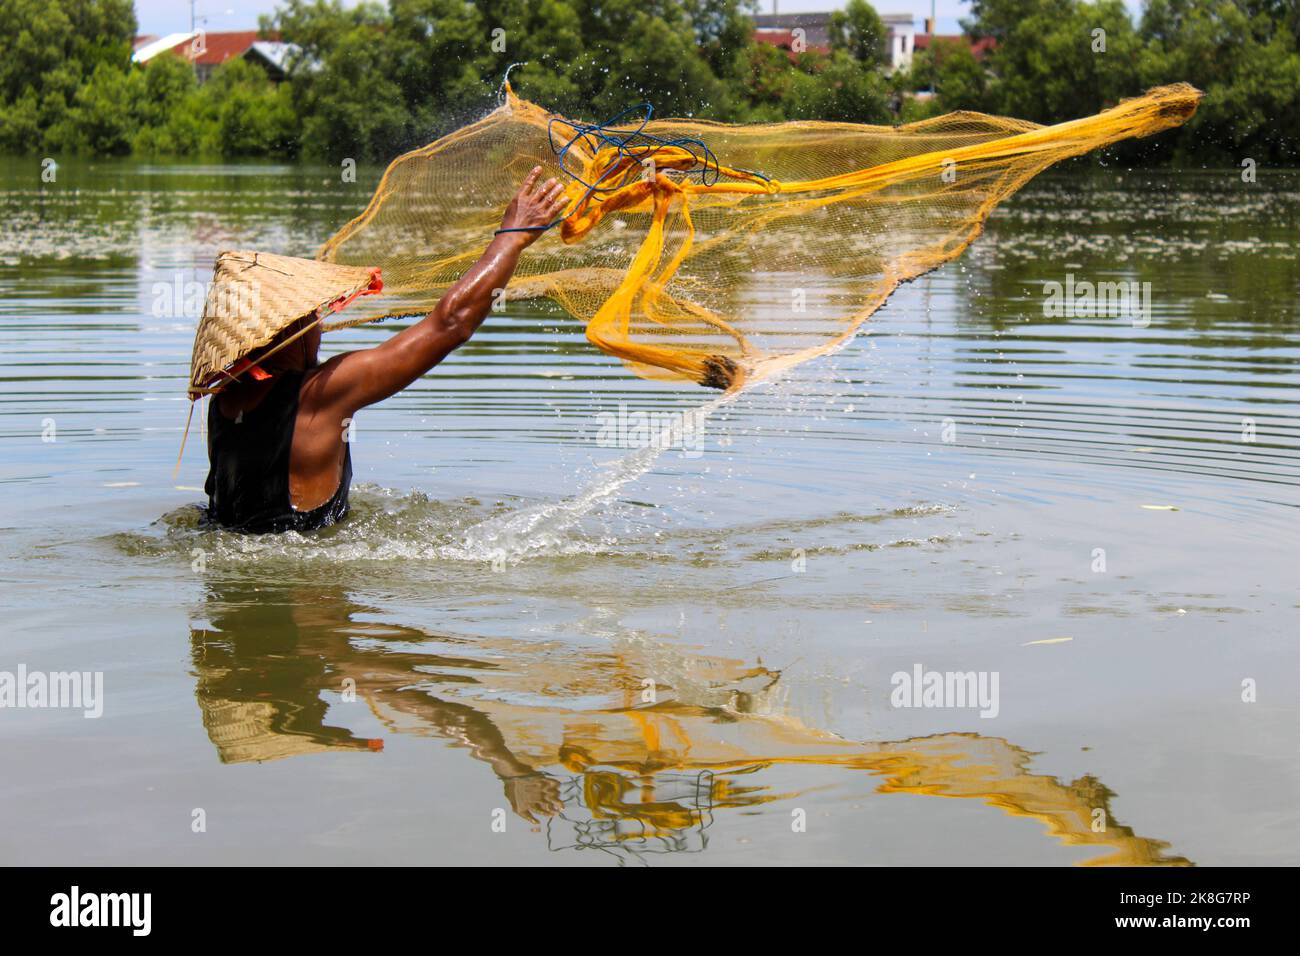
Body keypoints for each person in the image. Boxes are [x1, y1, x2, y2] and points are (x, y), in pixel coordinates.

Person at [202, 167, 567, 533]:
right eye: (313, 315)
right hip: (307, 585)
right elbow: (452, 324)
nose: (322, 326)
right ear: (289, 329)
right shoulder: (319, 394)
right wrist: (513, 237)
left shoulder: (223, 401)